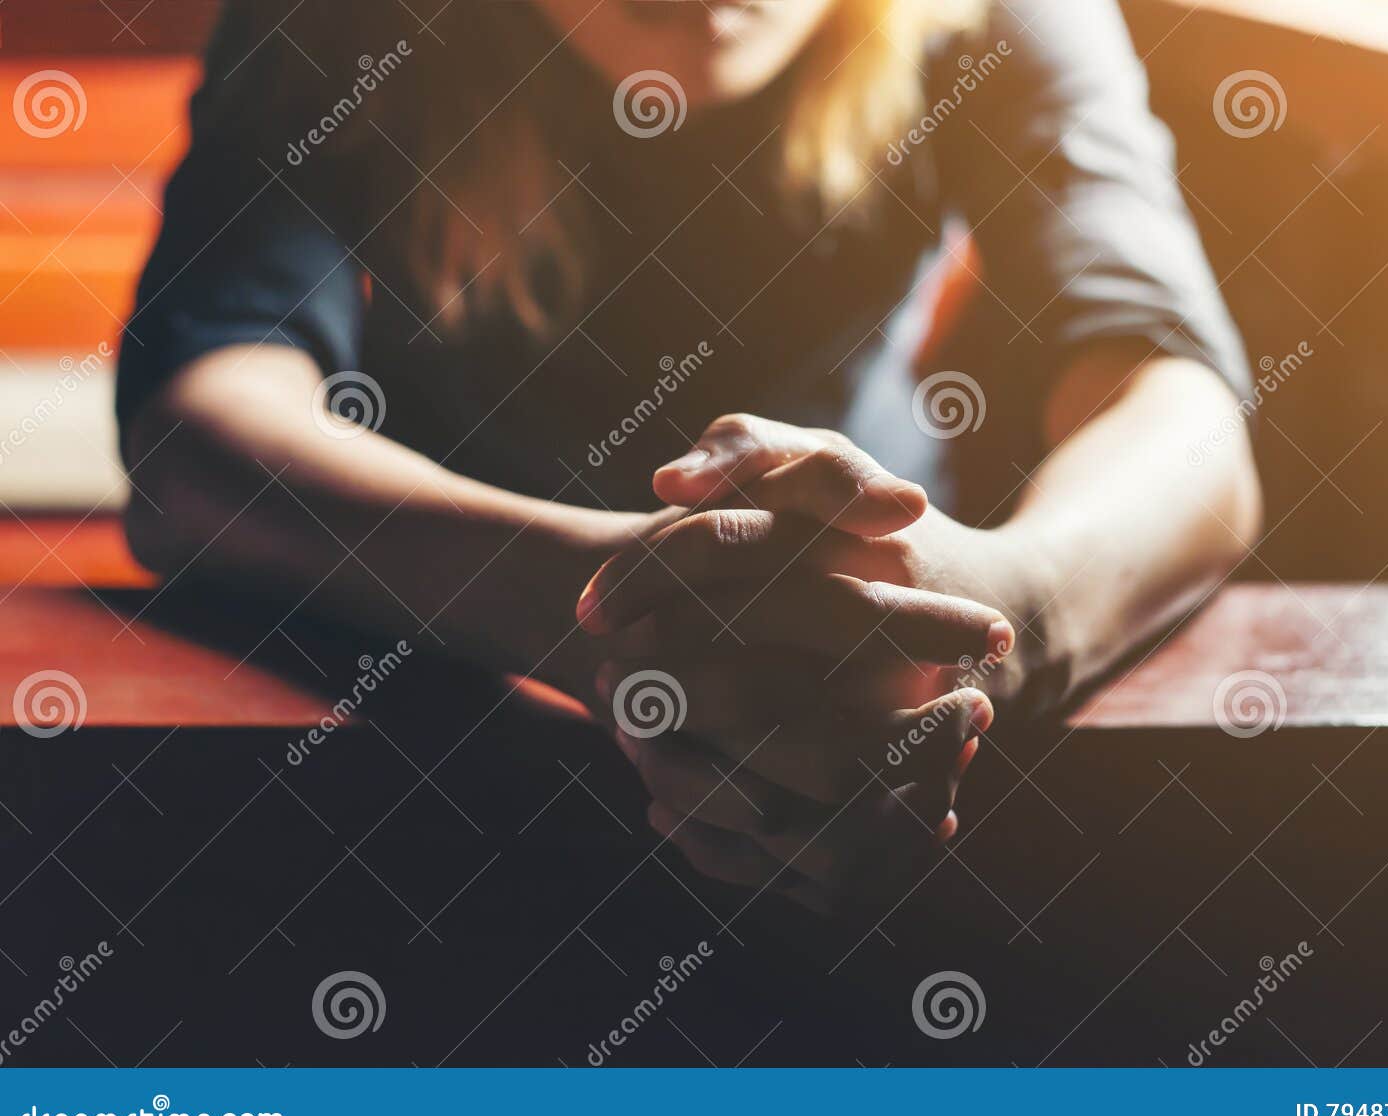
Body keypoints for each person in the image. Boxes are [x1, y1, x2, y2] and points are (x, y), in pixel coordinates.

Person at [117, 0, 1261, 913]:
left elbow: (1178, 404)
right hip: (447, 742)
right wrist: (590, 605)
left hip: (876, 691)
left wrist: (1004, 609)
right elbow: (200, 419)